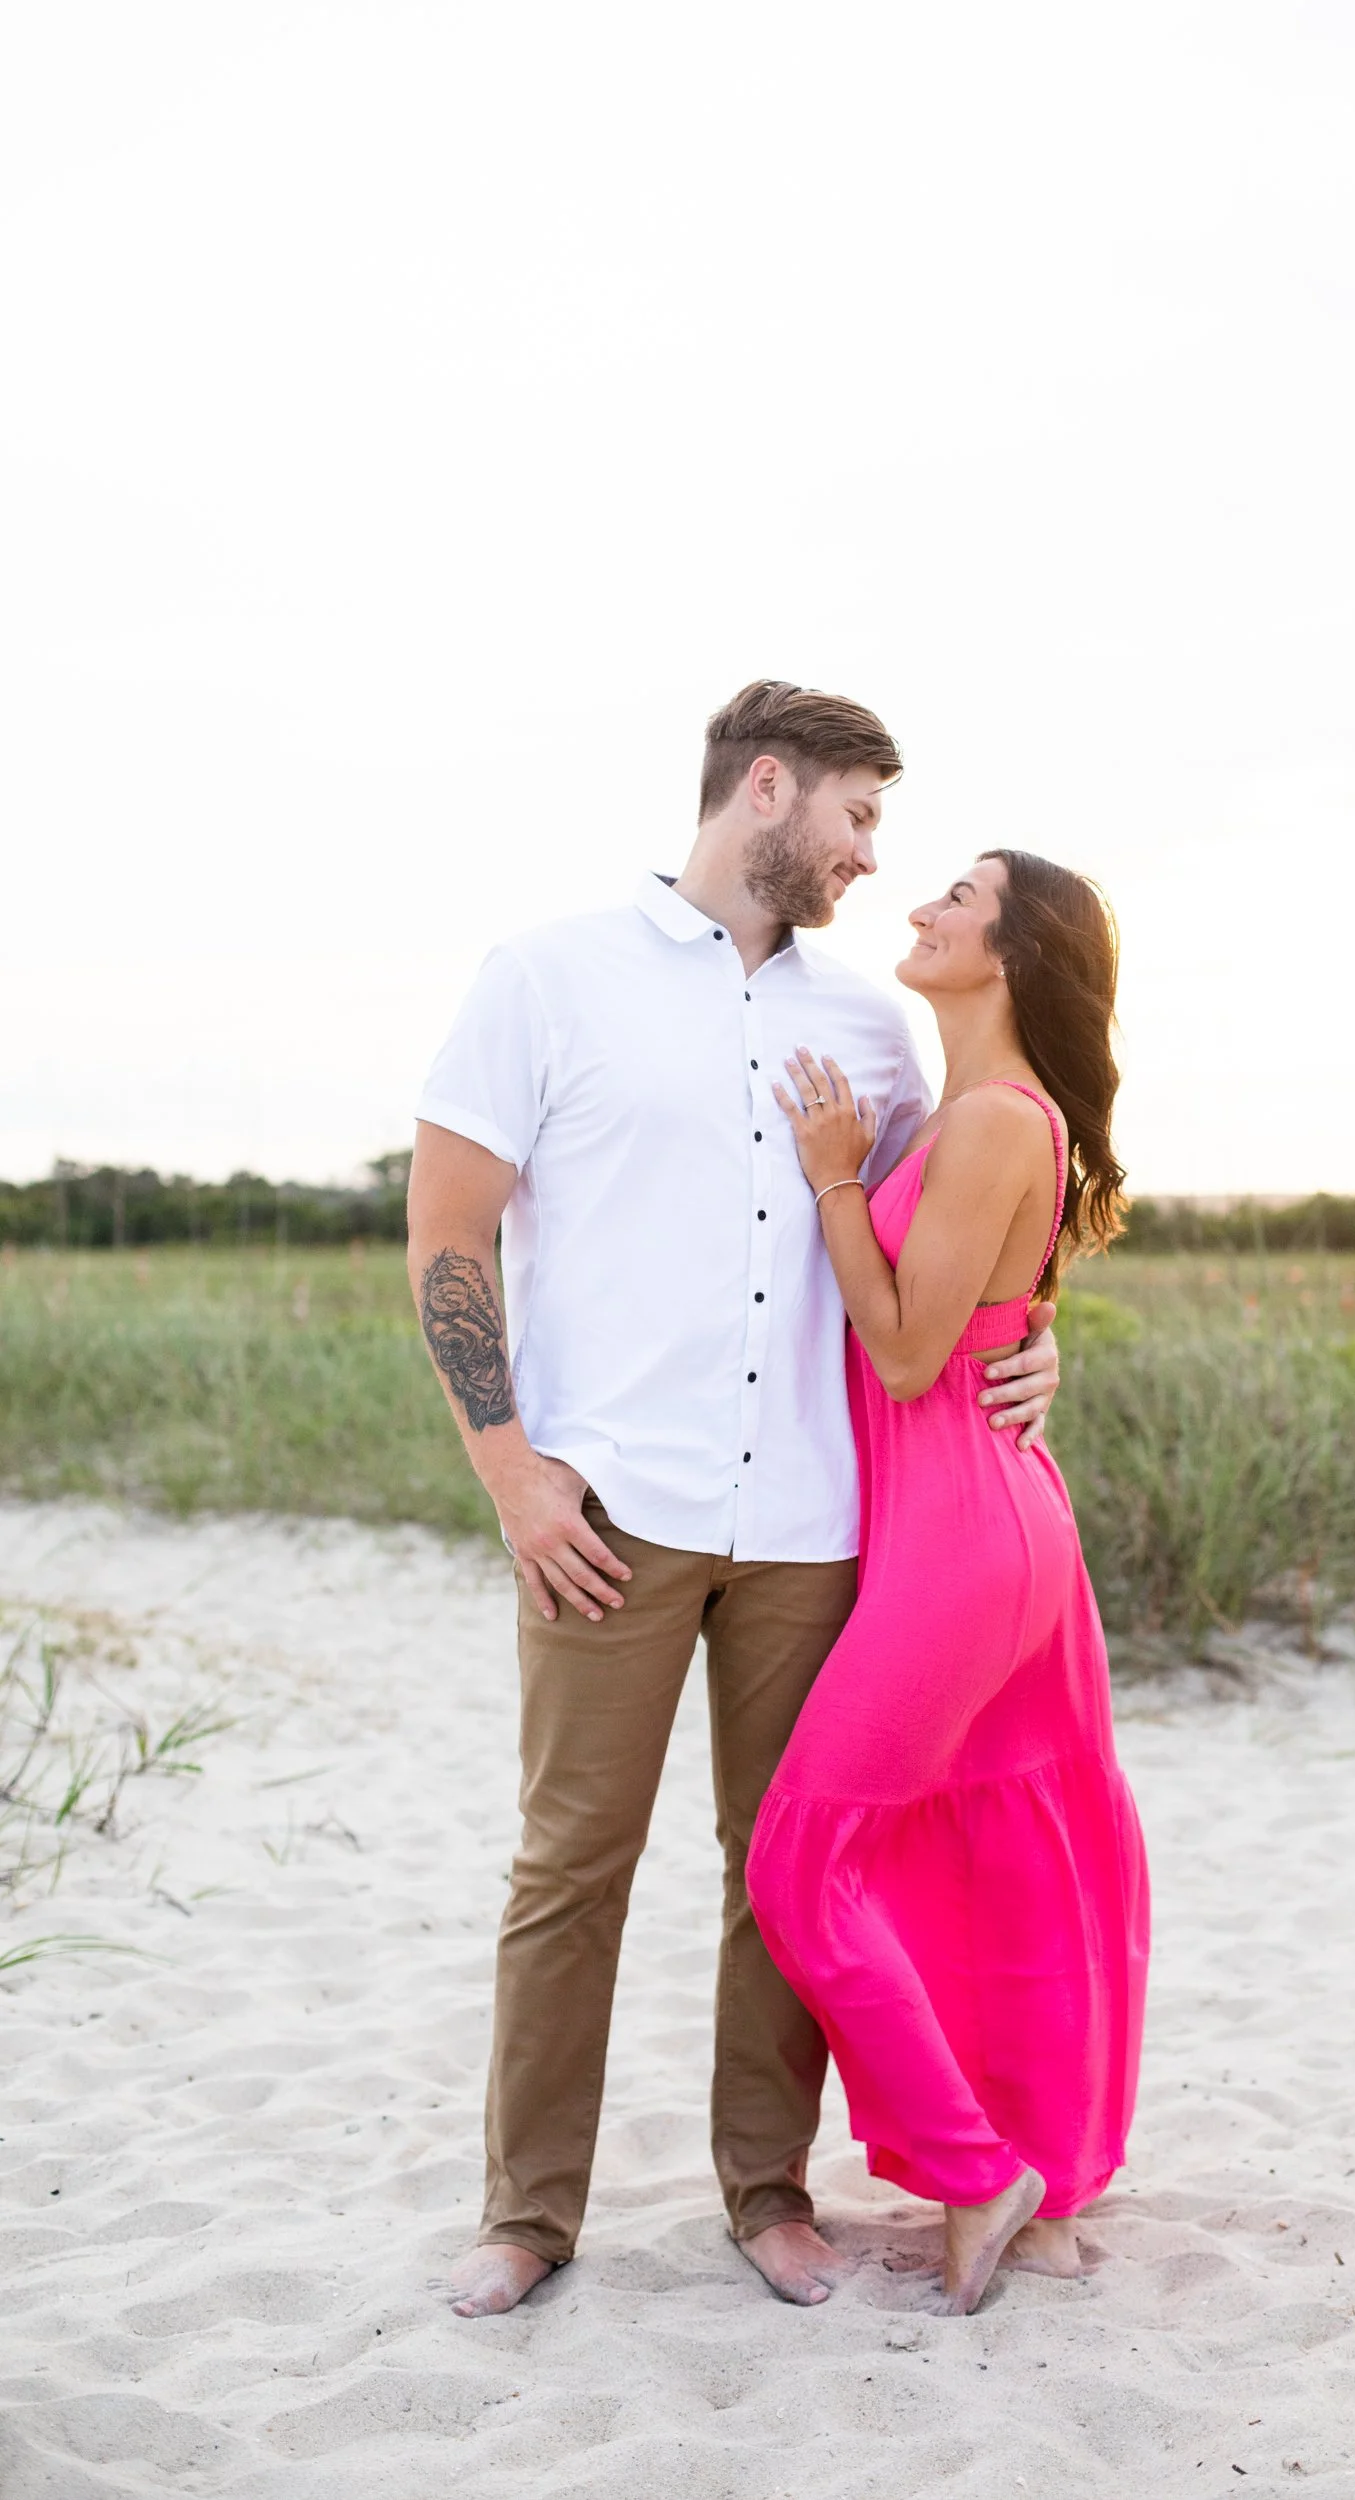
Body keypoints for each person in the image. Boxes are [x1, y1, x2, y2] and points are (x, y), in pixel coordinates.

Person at [406, 682, 1064, 2317]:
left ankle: (766, 2190)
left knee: (781, 1872)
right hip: (607, 1509)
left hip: (814, 1523)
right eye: (851, 819)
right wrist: (509, 1470)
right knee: (572, 1866)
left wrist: (1039, 1353)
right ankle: (528, 2216)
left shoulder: (870, 1027)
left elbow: (940, 1245)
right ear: (762, 788)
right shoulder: (544, 977)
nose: (863, 860)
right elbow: (446, 1233)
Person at [746, 849, 1150, 2316]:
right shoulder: (974, 1117)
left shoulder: (989, 1121)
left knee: (798, 1862)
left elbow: (910, 1355)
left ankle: (984, 2174)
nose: (919, 906)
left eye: (959, 898)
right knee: (997, 1856)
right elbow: (992, 1322)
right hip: (976, 1521)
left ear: (1015, 953)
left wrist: (836, 1181)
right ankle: (1034, 2166)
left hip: (965, 1542)